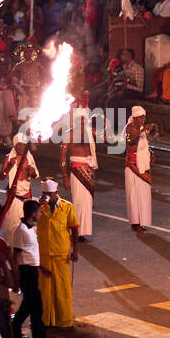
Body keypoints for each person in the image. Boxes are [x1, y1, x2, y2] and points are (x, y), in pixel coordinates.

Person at [10, 199, 54, 338]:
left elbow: (30, 253)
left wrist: (41, 268)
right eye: (39, 212)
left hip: (32, 271)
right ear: (33, 213)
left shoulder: (31, 229)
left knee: (28, 306)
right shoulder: (20, 230)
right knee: (36, 309)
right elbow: (16, 257)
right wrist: (16, 280)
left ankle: (14, 329)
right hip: (26, 273)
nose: (41, 214)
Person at [36, 180, 79, 329]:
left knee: (62, 288)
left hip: (61, 254)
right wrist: (39, 206)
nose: (46, 196)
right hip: (44, 254)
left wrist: (76, 250)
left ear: (56, 193)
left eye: (49, 193)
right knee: (44, 290)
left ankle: (63, 320)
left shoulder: (67, 207)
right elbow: (29, 219)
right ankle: (46, 320)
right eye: (44, 193)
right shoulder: (39, 207)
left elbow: (74, 229)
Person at [60, 101, 98, 242]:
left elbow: (108, 138)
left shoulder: (90, 133)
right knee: (78, 202)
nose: (82, 123)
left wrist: (107, 126)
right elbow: (63, 157)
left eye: (84, 120)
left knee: (87, 203)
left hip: (88, 170)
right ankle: (74, 232)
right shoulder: (68, 135)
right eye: (80, 120)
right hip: (76, 170)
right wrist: (65, 176)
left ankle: (81, 233)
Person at [0, 137, 39, 238]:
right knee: (12, 225)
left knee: (25, 223)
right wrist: (9, 167)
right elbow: (1, 176)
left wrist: (32, 172)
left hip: (26, 195)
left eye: (23, 145)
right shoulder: (9, 158)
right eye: (19, 144)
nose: (21, 147)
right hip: (14, 195)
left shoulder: (29, 158)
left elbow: (35, 176)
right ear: (15, 145)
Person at [124, 106, 154, 233]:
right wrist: (142, 131)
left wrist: (150, 152)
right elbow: (129, 142)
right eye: (140, 117)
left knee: (143, 194)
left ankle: (142, 221)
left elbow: (143, 145)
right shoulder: (130, 128)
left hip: (143, 164)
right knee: (133, 195)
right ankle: (135, 223)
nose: (142, 119)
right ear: (134, 118)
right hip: (133, 165)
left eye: (144, 117)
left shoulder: (141, 129)